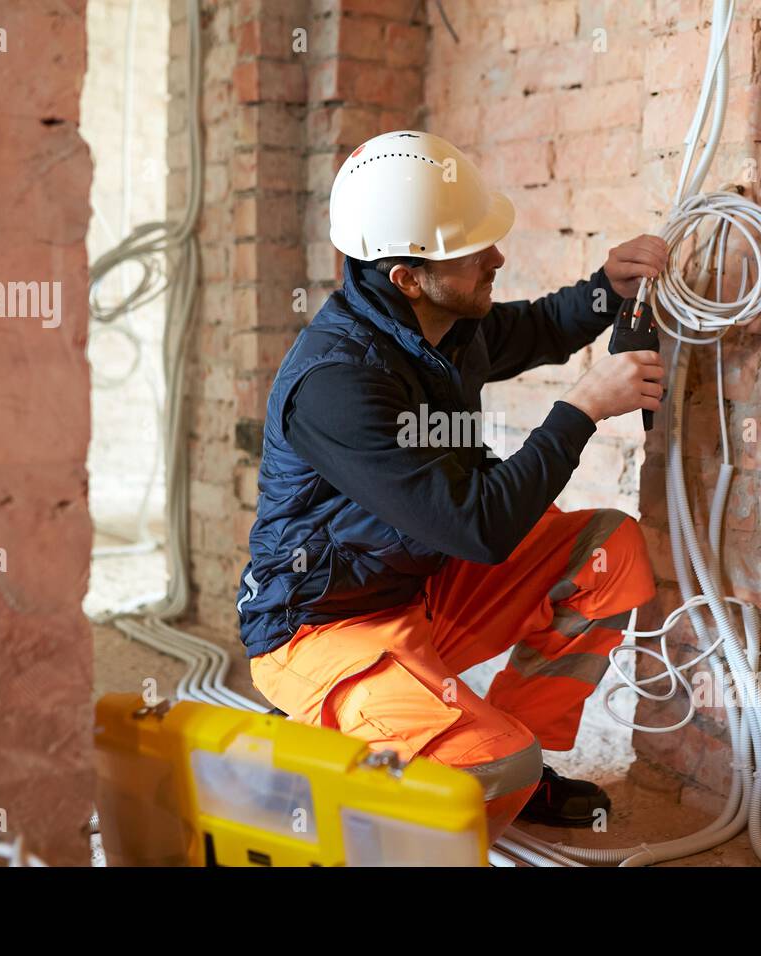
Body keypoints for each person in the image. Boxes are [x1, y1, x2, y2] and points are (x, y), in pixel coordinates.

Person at [237, 130, 667, 844]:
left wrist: (606, 289)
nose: (496, 256)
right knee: (486, 774)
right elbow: (479, 528)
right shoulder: (337, 384)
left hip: (417, 586)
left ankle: (508, 753)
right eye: (474, 250)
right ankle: (318, 738)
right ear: (407, 275)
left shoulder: (440, 321)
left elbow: (531, 328)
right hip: (322, 626)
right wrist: (584, 405)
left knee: (608, 551)